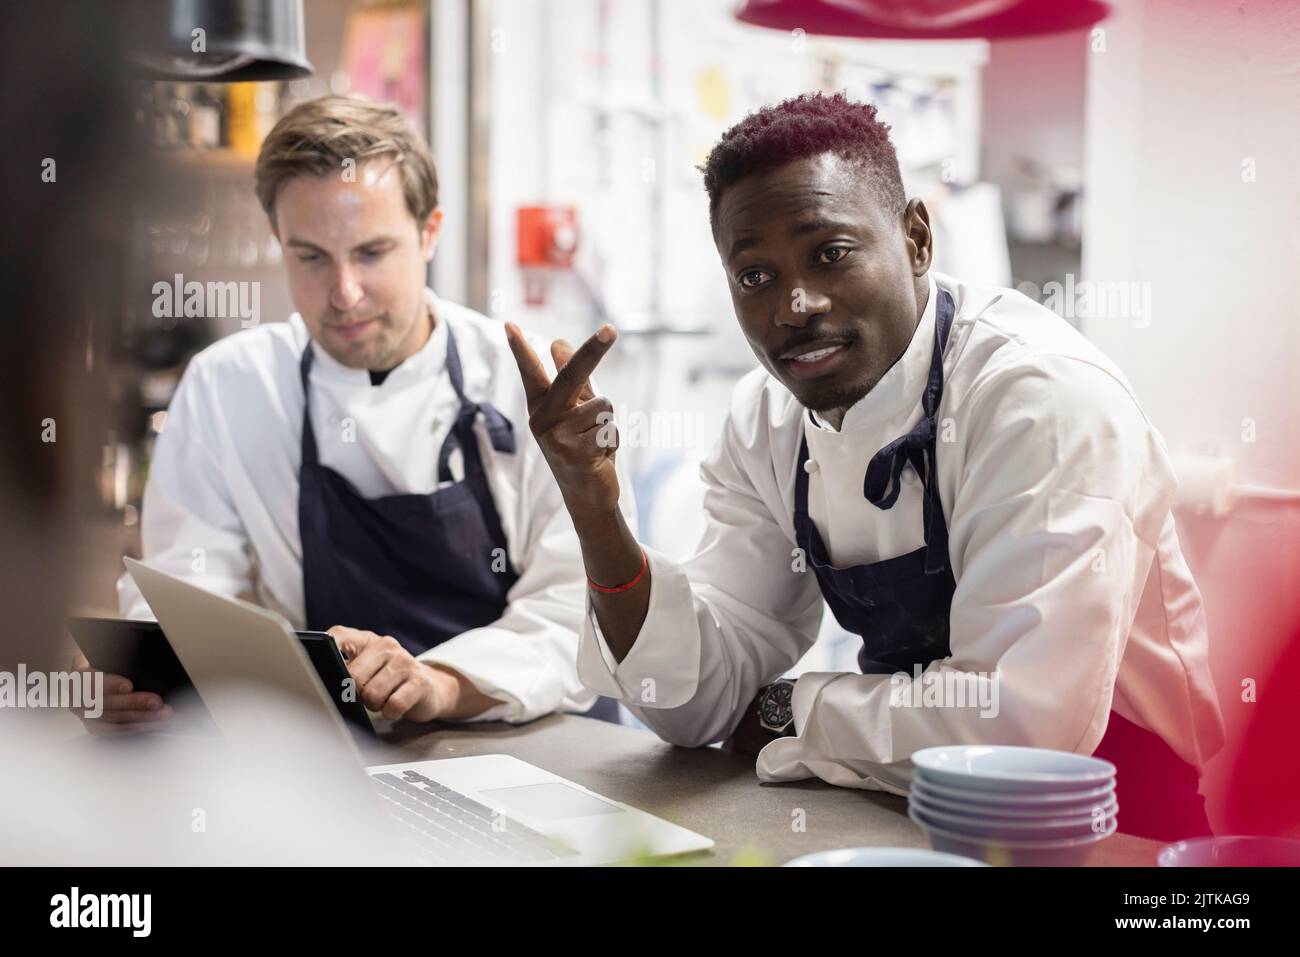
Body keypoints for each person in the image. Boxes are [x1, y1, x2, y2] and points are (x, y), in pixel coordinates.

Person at [505, 92, 1224, 841]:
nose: (796, 305)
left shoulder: (1039, 402)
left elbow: (1018, 731)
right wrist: (595, 508)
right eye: (755, 276)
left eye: (831, 253)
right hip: (894, 808)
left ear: (915, 238)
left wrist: (794, 710)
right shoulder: (769, 419)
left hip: (1114, 822)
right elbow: (694, 697)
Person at [82, 96, 629, 732]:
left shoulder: (527, 381)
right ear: (278, 244)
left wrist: (441, 683)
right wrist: (146, 672)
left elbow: (578, 607)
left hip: (540, 746)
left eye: (372, 252)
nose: (343, 293)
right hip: (337, 758)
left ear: (429, 232)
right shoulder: (230, 388)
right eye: (310, 257)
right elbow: (190, 592)